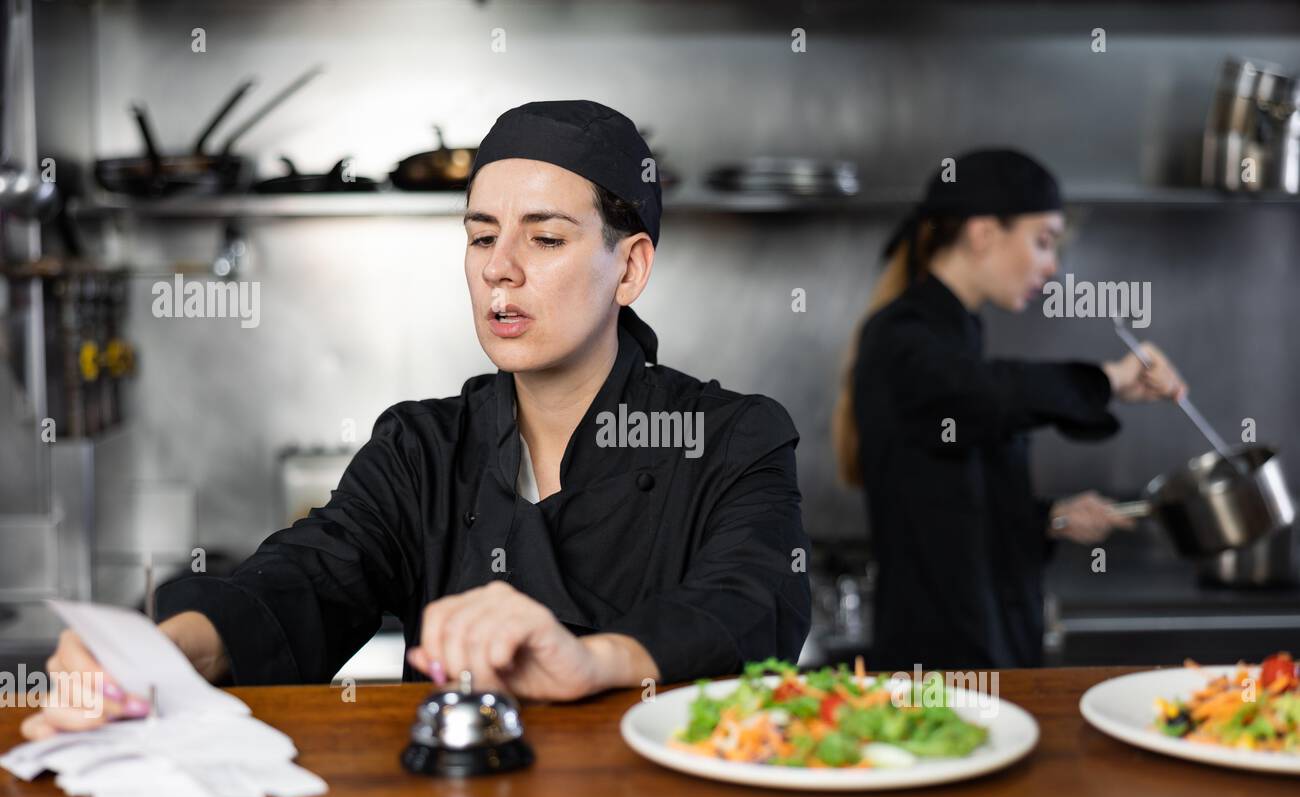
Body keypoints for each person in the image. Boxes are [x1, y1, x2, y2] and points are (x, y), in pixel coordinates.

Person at [23, 100, 811, 741]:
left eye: (544, 237)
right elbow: (308, 578)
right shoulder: (424, 448)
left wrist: (594, 659)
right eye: (480, 236)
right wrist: (158, 653)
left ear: (630, 267)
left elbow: (751, 601)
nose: (500, 267)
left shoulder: (733, 437)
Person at [831, 149, 1185, 671]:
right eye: (1043, 241)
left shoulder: (955, 337)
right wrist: (1108, 379)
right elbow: (990, 393)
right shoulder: (900, 338)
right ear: (983, 234)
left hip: (987, 649)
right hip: (939, 662)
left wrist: (1051, 519)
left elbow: (956, 499)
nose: (1052, 266)